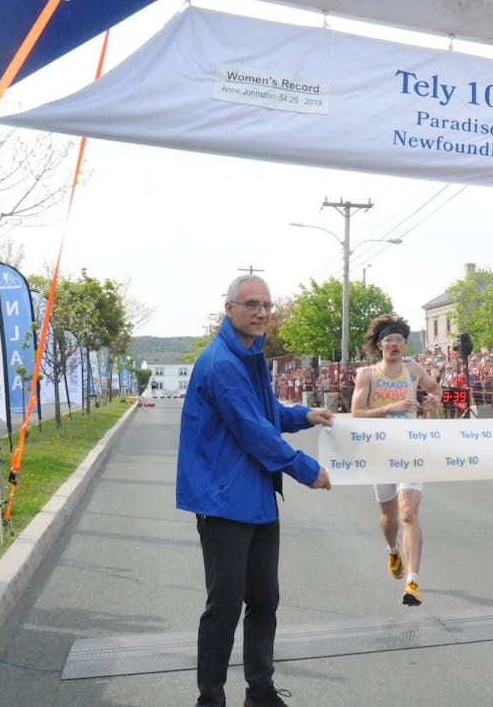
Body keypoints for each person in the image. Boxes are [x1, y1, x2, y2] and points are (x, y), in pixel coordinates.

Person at [177, 274, 333, 707]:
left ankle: (260, 692)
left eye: (266, 304)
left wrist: (305, 416)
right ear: (229, 310)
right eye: (251, 304)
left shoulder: (250, 356)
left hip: (258, 500)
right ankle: (210, 699)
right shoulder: (222, 363)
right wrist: (306, 469)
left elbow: (266, 413)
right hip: (222, 501)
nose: (262, 312)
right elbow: (252, 431)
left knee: (265, 600)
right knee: (224, 608)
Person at [351, 314, 443, 607]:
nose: (394, 345)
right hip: (380, 451)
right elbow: (356, 413)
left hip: (411, 449)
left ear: (405, 344)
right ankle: (392, 549)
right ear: (380, 345)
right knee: (390, 518)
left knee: (408, 514)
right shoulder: (367, 374)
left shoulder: (414, 369)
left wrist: (435, 399)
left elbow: (437, 389)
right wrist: (392, 407)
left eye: (399, 341)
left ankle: (412, 582)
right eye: (389, 341)